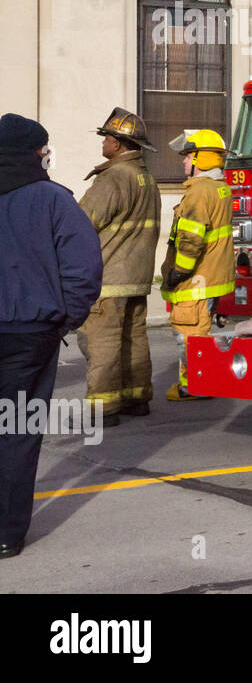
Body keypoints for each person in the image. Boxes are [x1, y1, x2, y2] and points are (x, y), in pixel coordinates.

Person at [0, 113, 102, 559]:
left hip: (31, 328)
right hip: (31, 332)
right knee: (17, 431)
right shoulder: (54, 200)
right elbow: (84, 269)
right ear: (37, 154)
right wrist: (65, 320)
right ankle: (6, 534)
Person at [76, 109, 162, 426]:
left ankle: (104, 409)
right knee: (134, 339)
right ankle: (137, 399)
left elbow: (81, 224)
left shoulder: (113, 178)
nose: (104, 141)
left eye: (108, 137)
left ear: (119, 143)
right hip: (137, 277)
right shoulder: (147, 178)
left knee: (103, 342)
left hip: (109, 277)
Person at [160, 129, 234, 401]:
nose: (183, 161)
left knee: (189, 333)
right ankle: (190, 383)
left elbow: (190, 239)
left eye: (188, 155)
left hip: (196, 278)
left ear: (201, 159)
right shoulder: (218, 188)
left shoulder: (200, 192)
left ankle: (195, 385)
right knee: (197, 330)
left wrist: (178, 272)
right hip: (210, 275)